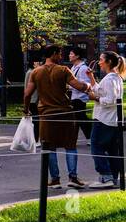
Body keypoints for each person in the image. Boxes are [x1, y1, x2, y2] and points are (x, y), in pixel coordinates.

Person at [23, 44, 92, 189]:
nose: (61, 56)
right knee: (70, 146)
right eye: (59, 54)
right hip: (65, 113)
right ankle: (73, 177)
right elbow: (78, 86)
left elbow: (27, 94)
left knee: (49, 147)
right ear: (54, 54)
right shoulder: (63, 70)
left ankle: (55, 179)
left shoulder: (36, 72)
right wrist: (89, 86)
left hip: (46, 114)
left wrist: (26, 110)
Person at [85, 50, 126, 187]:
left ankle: (106, 177)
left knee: (96, 147)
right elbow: (101, 91)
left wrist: (94, 98)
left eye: (101, 59)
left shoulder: (110, 79)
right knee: (112, 149)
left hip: (103, 119)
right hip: (112, 120)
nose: (99, 62)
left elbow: (110, 100)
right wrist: (91, 78)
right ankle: (113, 177)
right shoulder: (115, 77)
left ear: (108, 62)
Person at [67, 47, 94, 141]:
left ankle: (90, 137)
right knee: (77, 118)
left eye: (71, 54)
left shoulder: (83, 68)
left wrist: (70, 86)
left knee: (81, 118)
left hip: (80, 98)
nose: (69, 55)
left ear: (77, 56)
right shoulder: (73, 67)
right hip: (74, 97)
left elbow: (86, 84)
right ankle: (75, 138)